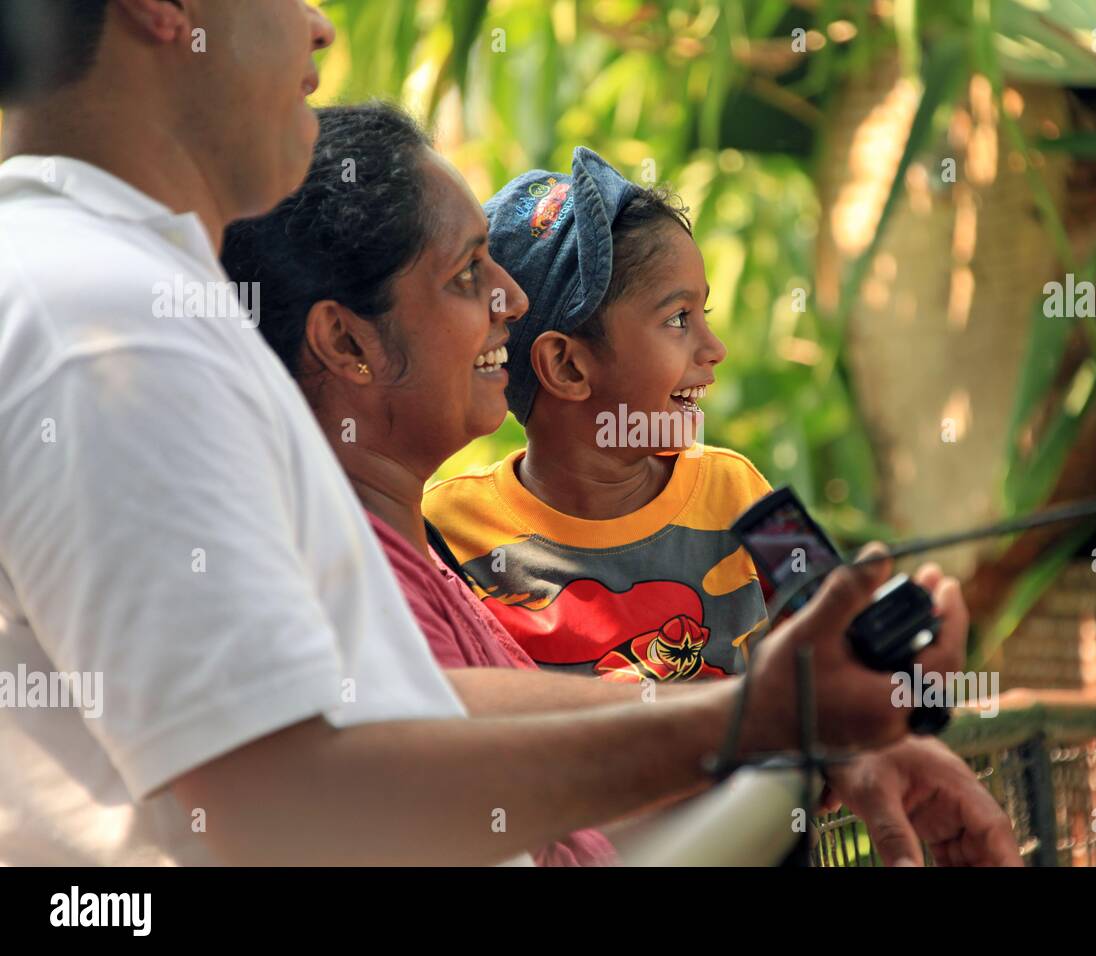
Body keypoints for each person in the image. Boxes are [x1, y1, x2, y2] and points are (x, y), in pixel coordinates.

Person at [0, 0, 978, 867]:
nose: (320, 24)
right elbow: (288, 800)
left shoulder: (125, 300)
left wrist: (782, 722)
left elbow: (390, 711)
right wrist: (755, 719)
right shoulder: (108, 327)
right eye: (468, 274)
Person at [220, 100, 1019, 867]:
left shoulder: (724, 494)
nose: (513, 300)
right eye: (468, 275)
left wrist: (827, 741)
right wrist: (777, 727)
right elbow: (440, 754)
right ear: (346, 343)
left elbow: (552, 783)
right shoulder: (377, 565)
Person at [425, 148, 776, 682]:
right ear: (566, 367)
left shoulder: (741, 493)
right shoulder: (447, 537)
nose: (714, 348)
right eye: (679, 318)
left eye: (703, 312)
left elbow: (843, 647)